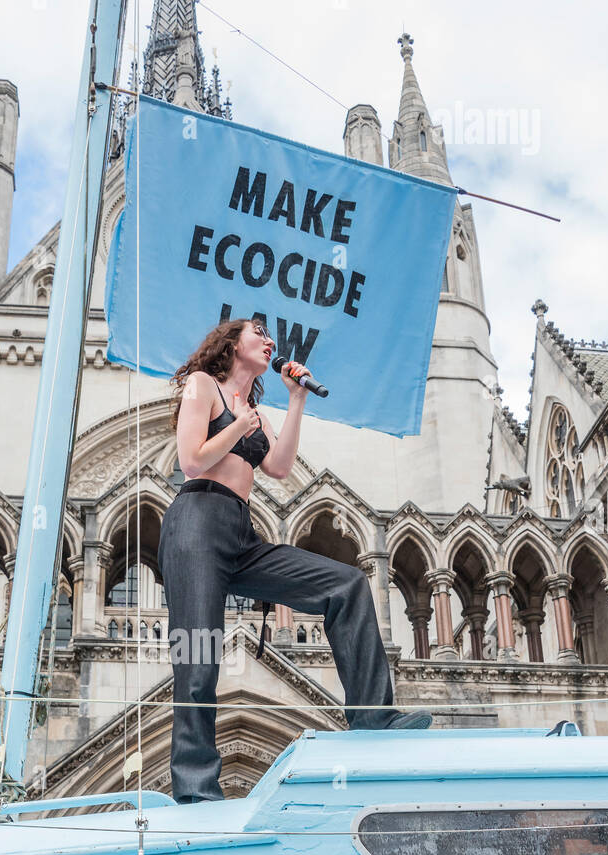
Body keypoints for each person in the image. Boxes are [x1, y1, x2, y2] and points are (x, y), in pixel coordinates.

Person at [157, 317, 432, 804]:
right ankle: (196, 789)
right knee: (197, 655)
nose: (268, 341)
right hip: (196, 521)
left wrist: (297, 400)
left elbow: (279, 468)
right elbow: (191, 461)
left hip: (240, 530)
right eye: (257, 332)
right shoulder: (204, 386)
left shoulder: (255, 407)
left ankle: (372, 715)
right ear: (230, 344)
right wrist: (239, 425)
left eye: (269, 336)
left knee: (345, 585)